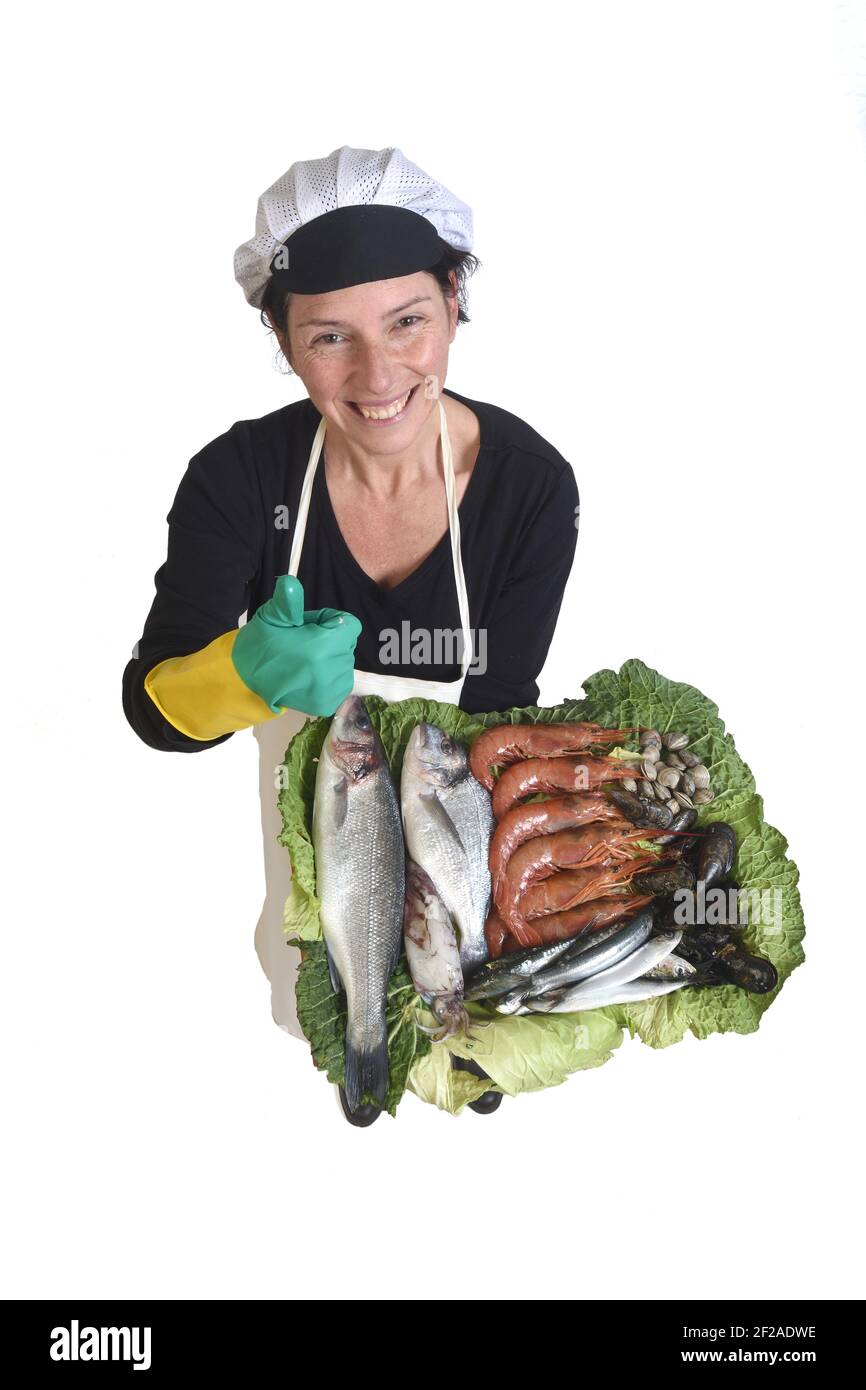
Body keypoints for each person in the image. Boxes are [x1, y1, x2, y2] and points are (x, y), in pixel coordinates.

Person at [122, 145, 579, 1125]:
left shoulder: (529, 487)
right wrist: (241, 674)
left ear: (454, 300)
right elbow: (151, 710)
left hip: (459, 838)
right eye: (329, 336)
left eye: (407, 321)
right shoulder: (237, 480)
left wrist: (484, 941)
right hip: (323, 858)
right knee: (310, 1008)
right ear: (284, 341)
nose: (378, 376)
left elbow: (500, 704)